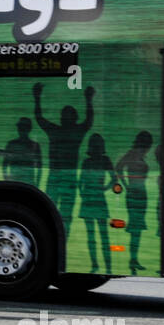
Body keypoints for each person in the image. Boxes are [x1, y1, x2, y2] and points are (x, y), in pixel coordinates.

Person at [33, 83, 94, 239]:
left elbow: (39, 118)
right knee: (65, 212)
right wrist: (88, 99)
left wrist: (37, 97)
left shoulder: (56, 131)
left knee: (51, 210)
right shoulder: (76, 132)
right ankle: (61, 240)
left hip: (56, 176)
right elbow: (89, 121)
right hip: (67, 177)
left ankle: (52, 238)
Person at [78, 133, 119, 274]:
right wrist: (104, 188)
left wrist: (85, 192)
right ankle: (102, 266)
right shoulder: (101, 161)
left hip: (92, 198)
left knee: (97, 235)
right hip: (94, 199)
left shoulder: (92, 161)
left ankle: (99, 265)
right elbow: (113, 178)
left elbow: (81, 182)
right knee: (100, 235)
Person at [116, 131, 153, 272]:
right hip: (134, 194)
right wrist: (126, 185)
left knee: (137, 230)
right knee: (135, 229)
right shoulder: (132, 153)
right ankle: (132, 260)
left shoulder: (141, 154)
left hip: (142, 194)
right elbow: (119, 167)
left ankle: (134, 259)